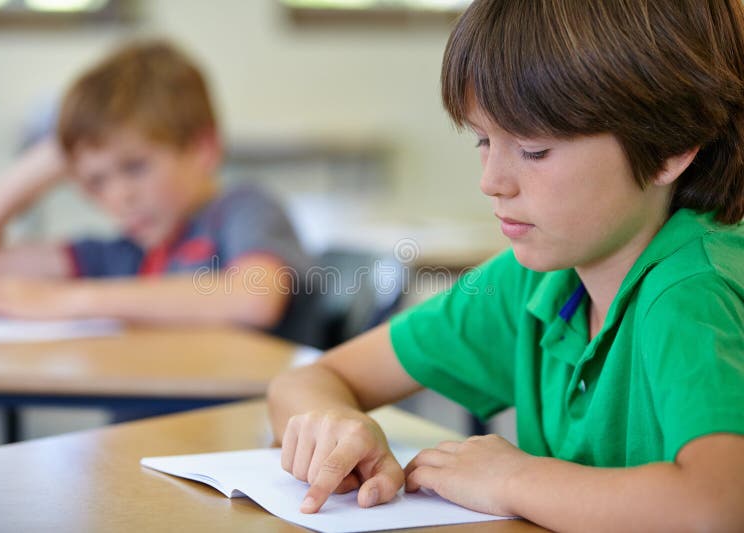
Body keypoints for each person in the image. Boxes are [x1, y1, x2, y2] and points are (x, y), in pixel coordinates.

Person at [267, 1, 744, 530]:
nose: (491, 180)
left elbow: (717, 506)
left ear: (669, 147)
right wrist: (333, 427)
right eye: (483, 140)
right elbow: (312, 379)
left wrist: (513, 479)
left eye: (534, 150)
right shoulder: (537, 282)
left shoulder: (693, 292)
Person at [0, 40, 312, 342]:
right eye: (96, 181)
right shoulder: (128, 254)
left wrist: (66, 300)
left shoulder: (244, 208)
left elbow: (255, 296)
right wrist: (51, 156)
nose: (119, 197)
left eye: (134, 166)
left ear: (204, 148)